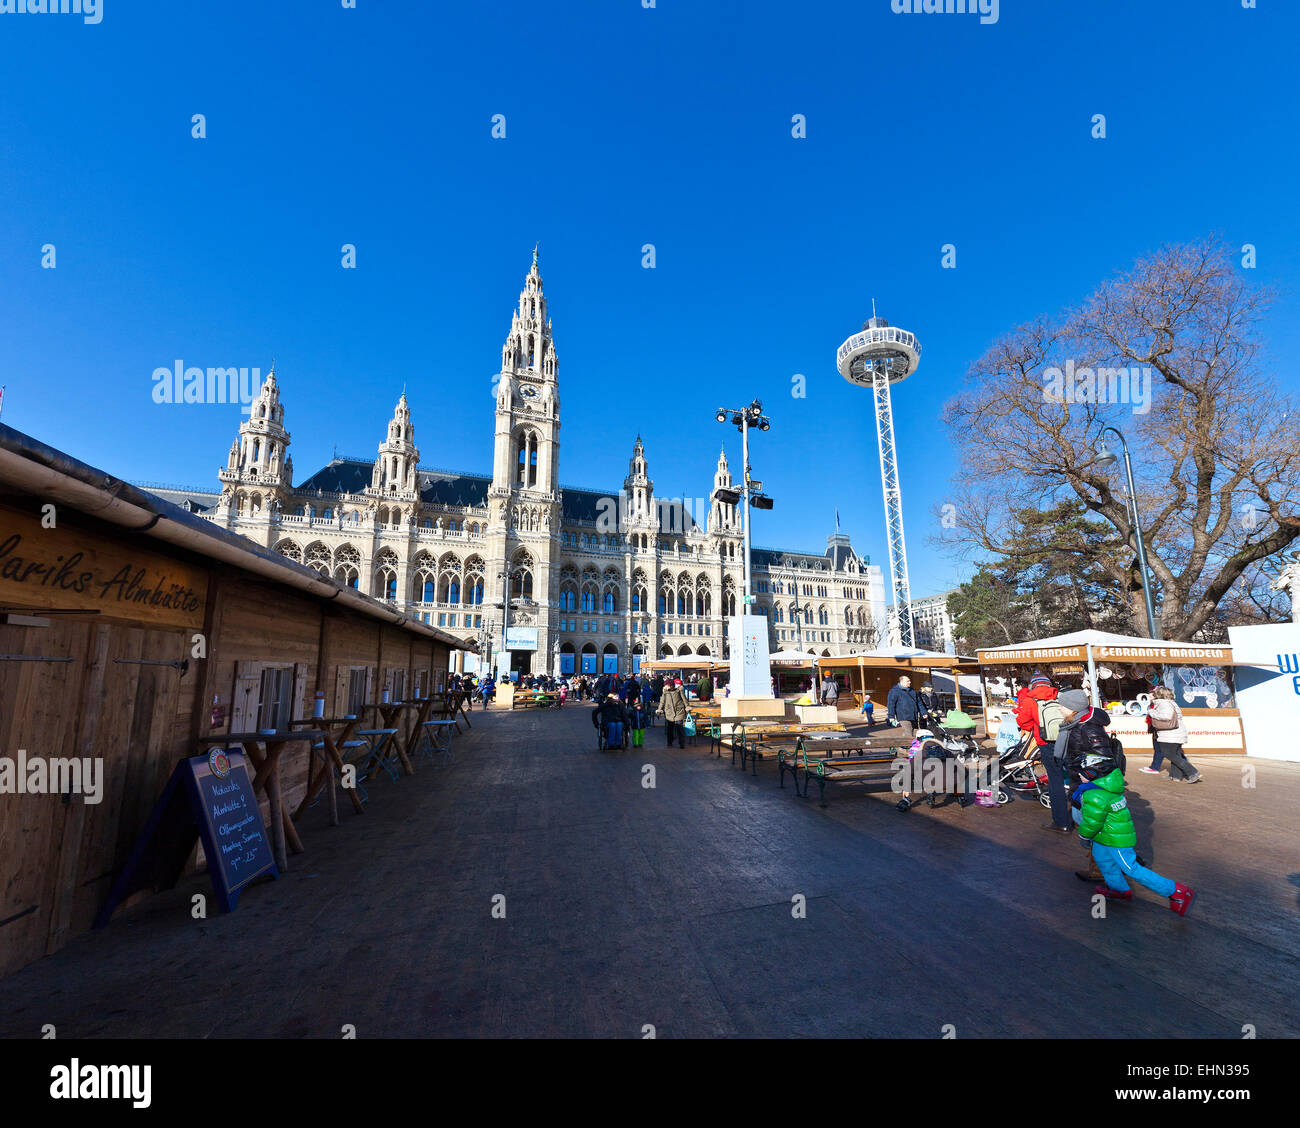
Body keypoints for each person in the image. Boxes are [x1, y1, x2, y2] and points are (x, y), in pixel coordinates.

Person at [1070, 743, 1197, 915]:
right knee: (1103, 860)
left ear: (1093, 773)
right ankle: (1120, 890)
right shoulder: (1107, 786)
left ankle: (1177, 891)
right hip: (1105, 836)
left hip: (1116, 839)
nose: (1078, 775)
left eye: (1082, 772)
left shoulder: (1096, 794)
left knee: (1130, 867)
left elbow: (1092, 822)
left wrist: (1083, 836)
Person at [1017, 672, 1070, 834]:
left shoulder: (1030, 700)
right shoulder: (1059, 696)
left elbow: (1024, 723)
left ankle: (1062, 823)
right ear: (1048, 684)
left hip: (1046, 744)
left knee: (1056, 782)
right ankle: (1086, 818)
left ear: (1033, 685)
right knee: (1075, 778)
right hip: (1067, 740)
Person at [1143, 686, 1201, 783]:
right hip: (1176, 733)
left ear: (1159, 694)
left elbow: (1166, 716)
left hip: (1170, 734)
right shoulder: (1171, 703)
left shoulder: (1164, 704)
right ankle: (1176, 776)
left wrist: (1151, 712)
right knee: (1176, 754)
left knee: (1169, 754)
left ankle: (1193, 772)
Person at [886, 675, 924, 742]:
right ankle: (908, 750)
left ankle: (900, 748)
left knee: (909, 732)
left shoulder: (912, 691)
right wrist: (891, 716)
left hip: (913, 715)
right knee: (908, 734)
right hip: (903, 716)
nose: (910, 682)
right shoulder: (894, 691)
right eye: (908, 681)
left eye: (909, 680)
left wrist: (923, 712)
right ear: (901, 682)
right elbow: (891, 704)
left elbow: (919, 702)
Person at [661, 678, 689, 749]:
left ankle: (682, 743)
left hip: (679, 711)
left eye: (666, 685)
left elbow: (684, 699)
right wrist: (659, 709)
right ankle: (669, 742)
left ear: (671, 685)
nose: (665, 687)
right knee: (670, 729)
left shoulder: (679, 691)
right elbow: (662, 701)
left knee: (680, 728)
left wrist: (687, 706)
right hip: (669, 713)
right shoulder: (665, 693)